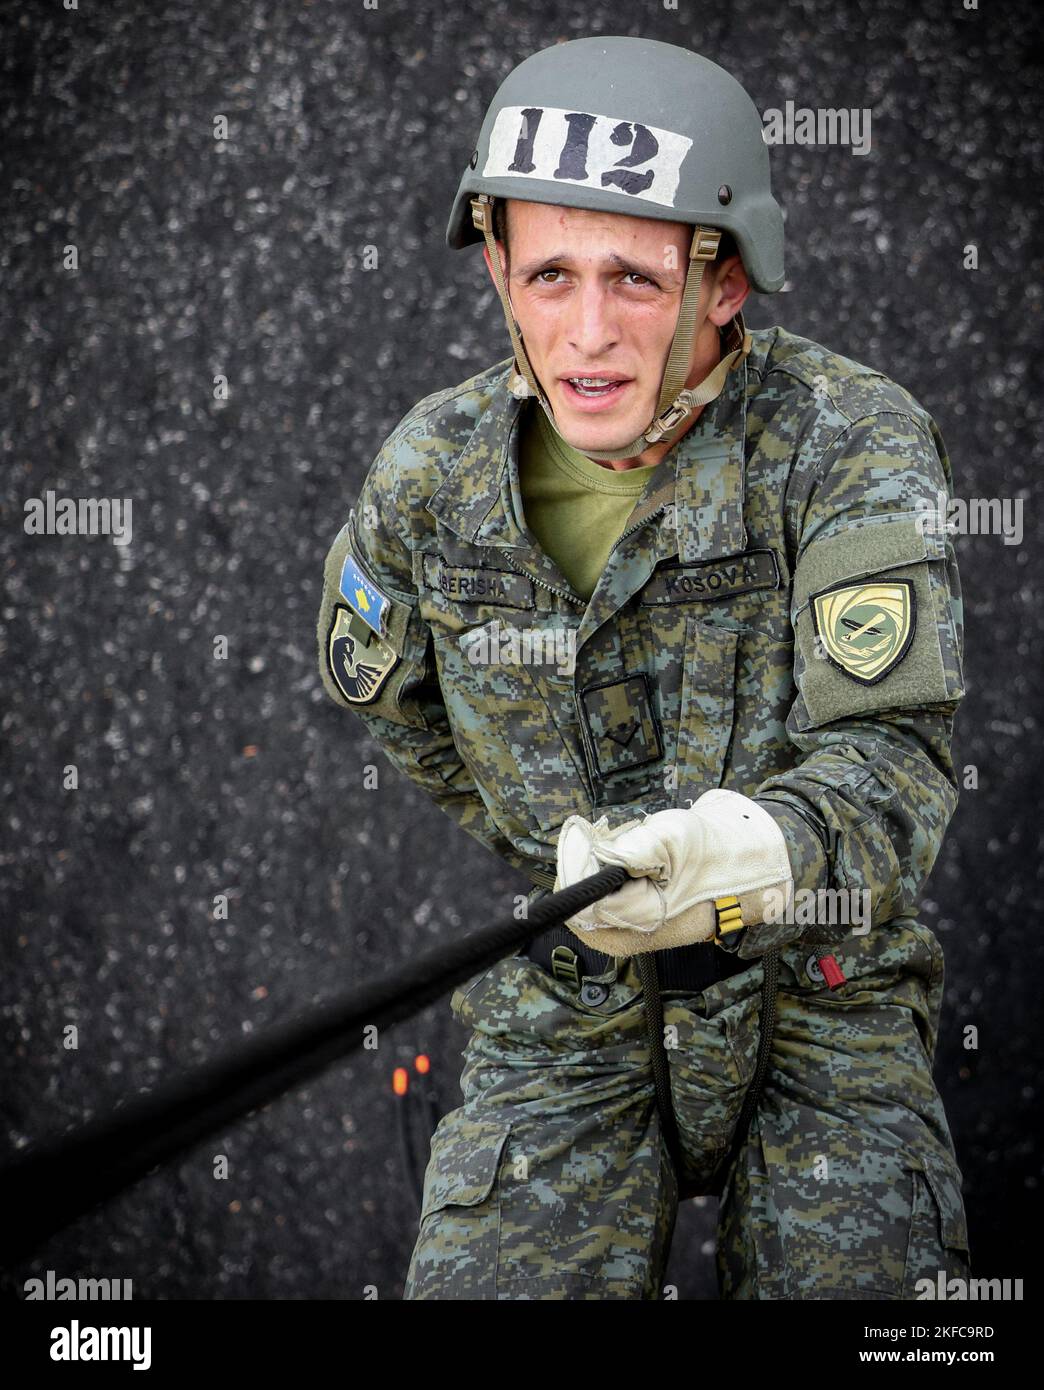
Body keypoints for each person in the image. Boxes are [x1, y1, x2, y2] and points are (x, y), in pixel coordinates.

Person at [316, 35, 971, 1300]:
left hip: (821, 995)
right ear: (498, 269)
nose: (588, 331)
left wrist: (744, 856)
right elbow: (396, 702)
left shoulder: (846, 441)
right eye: (549, 272)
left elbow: (898, 763)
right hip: (567, 1013)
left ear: (724, 284)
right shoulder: (430, 477)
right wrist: (545, 842)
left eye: (636, 276)